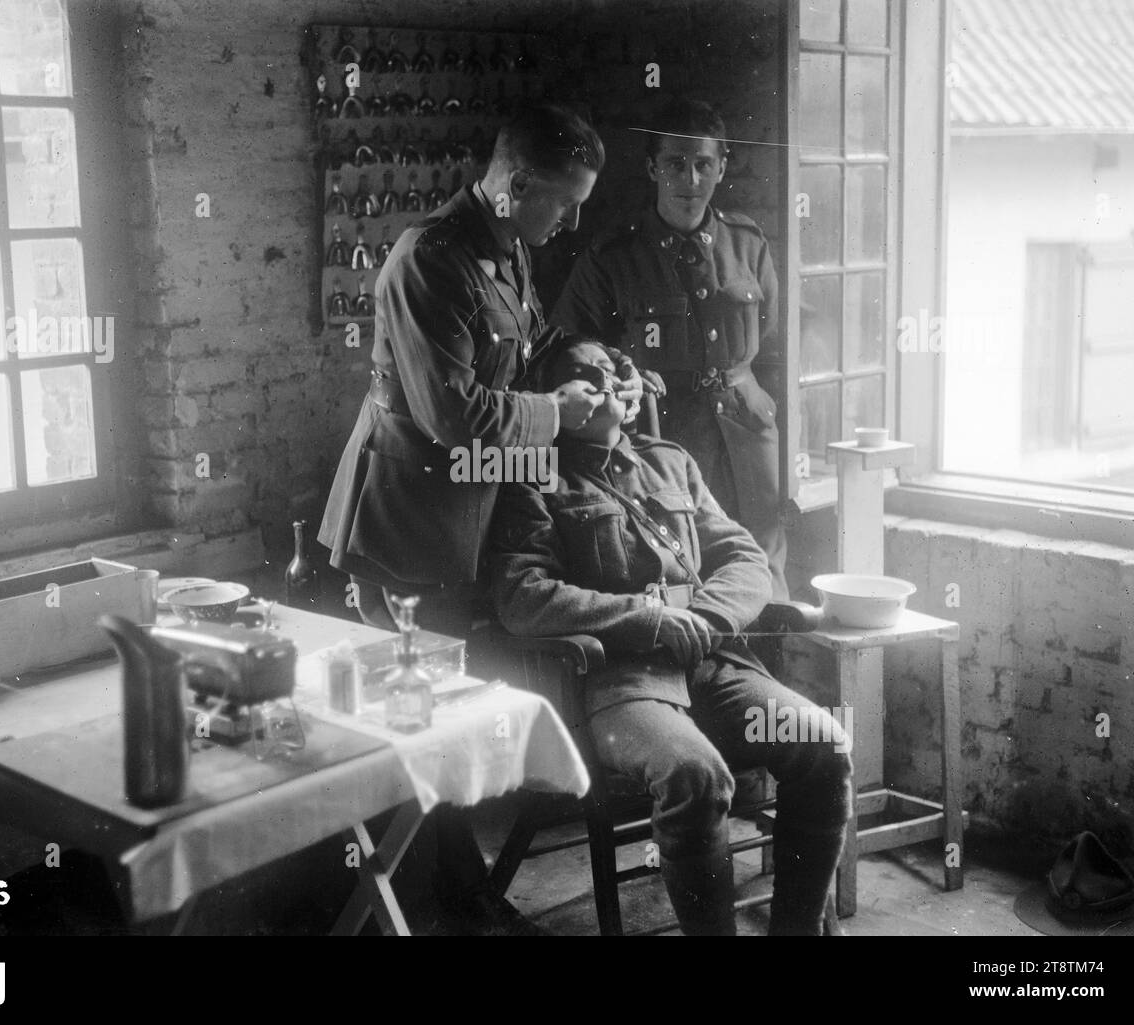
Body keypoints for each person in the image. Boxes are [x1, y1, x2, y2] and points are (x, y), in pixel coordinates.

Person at [318, 103, 644, 934]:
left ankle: (455, 897)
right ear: (516, 184)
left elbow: (528, 351)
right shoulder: (430, 258)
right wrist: (559, 416)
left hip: (468, 510)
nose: (571, 220)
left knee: (448, 706)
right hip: (408, 525)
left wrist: (604, 373)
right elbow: (452, 413)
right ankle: (439, 904)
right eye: (562, 202)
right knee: (419, 716)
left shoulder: (508, 251)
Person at [487, 336, 851, 935]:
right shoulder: (533, 479)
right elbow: (523, 596)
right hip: (620, 682)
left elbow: (744, 557)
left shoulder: (669, 462)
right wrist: (648, 619)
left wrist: (707, 617)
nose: (607, 383)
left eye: (615, 370)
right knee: (694, 775)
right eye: (585, 375)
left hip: (713, 662)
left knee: (825, 745)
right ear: (554, 396)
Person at [550, 96, 789, 598]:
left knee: (764, 573)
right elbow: (570, 345)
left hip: (747, 439)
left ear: (722, 167)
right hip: (664, 438)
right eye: (675, 164)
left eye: (704, 164)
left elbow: (771, 344)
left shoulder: (747, 244)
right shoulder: (614, 255)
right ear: (652, 168)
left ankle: (764, 674)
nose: (691, 179)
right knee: (687, 569)